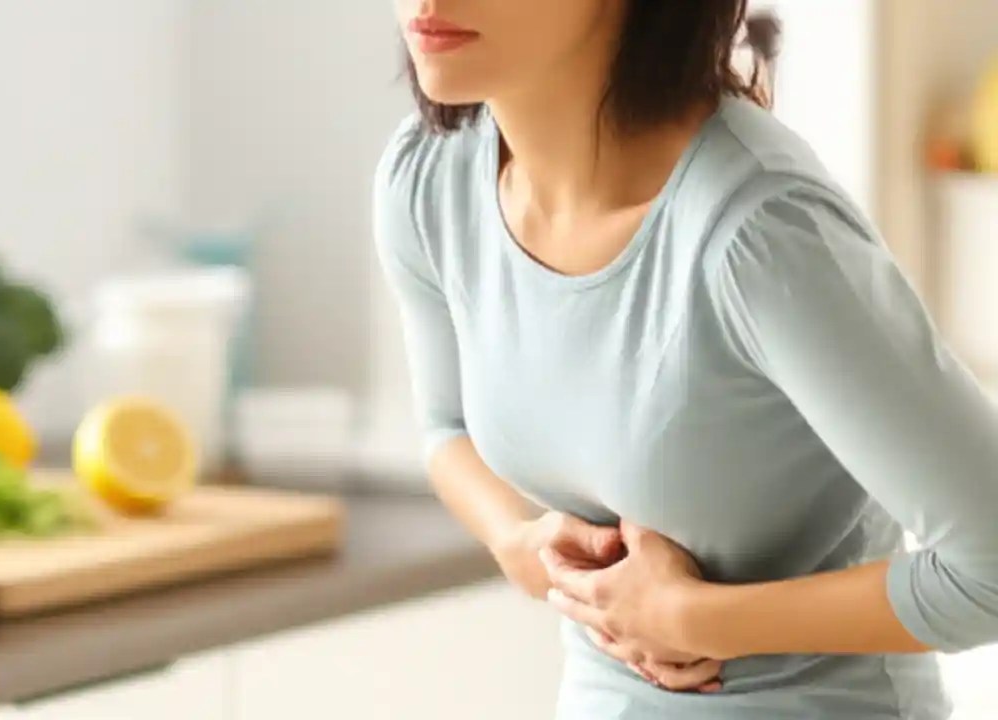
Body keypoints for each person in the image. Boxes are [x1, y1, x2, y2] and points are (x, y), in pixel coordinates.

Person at [373, 2, 998, 718]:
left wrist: (692, 618)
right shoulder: (428, 182)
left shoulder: (760, 234)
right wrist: (519, 545)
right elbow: (446, 427)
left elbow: (991, 567)